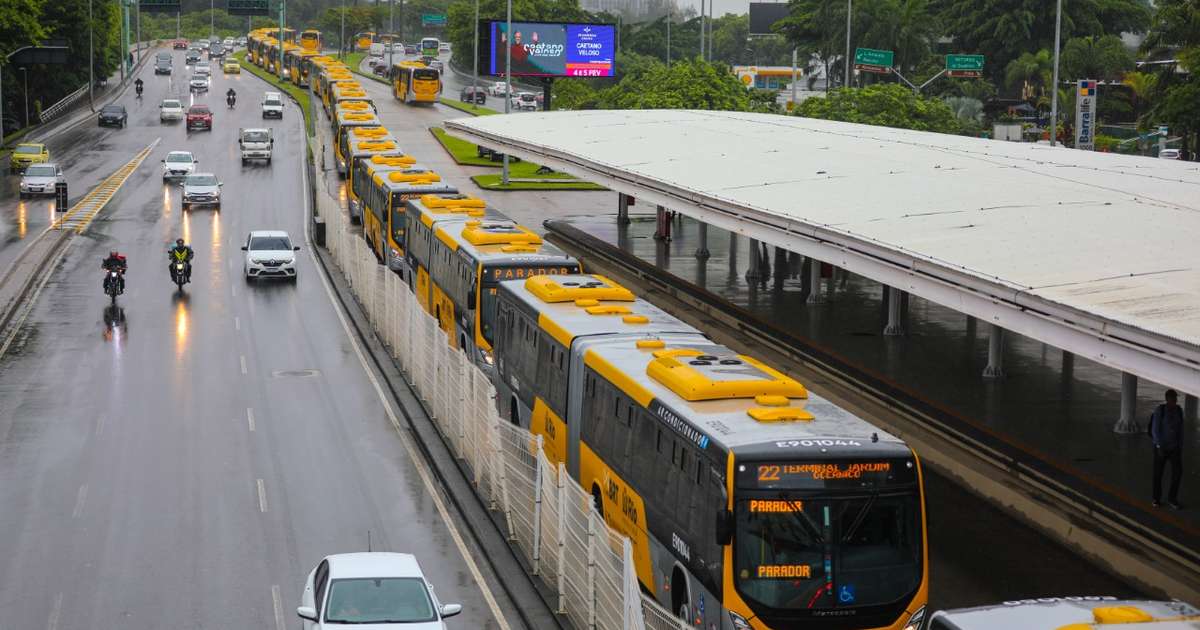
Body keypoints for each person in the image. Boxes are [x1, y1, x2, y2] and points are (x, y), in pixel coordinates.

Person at [1150, 389, 1184, 509]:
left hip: (1174, 448)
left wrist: (1180, 446)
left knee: (1178, 472)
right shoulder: (1160, 411)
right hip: (1161, 447)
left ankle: (1172, 498)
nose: (1175, 401)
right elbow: (1155, 430)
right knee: (1158, 473)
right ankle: (1156, 498)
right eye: (1173, 399)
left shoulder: (1179, 411)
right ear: (1167, 399)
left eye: (1176, 398)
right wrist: (1159, 446)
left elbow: (1181, 430)